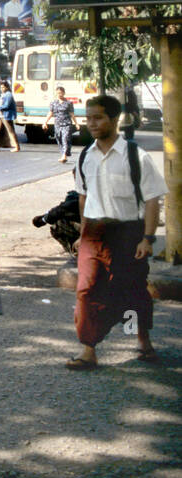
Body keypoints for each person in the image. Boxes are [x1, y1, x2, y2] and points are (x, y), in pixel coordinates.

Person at [67, 94, 163, 370]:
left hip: (128, 233)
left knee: (132, 289)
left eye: (98, 118)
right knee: (86, 290)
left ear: (114, 119)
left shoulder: (136, 156)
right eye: (88, 118)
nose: (91, 124)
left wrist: (147, 238)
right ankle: (88, 349)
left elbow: (152, 199)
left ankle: (141, 341)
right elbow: (84, 198)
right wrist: (83, 232)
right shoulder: (86, 156)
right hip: (94, 233)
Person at [42, 86, 76, 163]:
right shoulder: (53, 103)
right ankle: (63, 153)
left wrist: (76, 123)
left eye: (61, 93)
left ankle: (64, 155)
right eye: (58, 93)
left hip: (67, 123)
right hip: (57, 124)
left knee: (65, 138)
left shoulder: (69, 103)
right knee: (59, 138)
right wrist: (45, 122)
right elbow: (50, 113)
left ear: (64, 93)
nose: (59, 94)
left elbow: (72, 114)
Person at [0, 81, 20, 152]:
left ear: (7, 87)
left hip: (6, 115)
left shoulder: (8, 95)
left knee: (10, 131)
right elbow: (0, 102)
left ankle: (17, 147)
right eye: (1, 87)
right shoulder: (3, 94)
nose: (2, 89)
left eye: (3, 87)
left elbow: (6, 105)